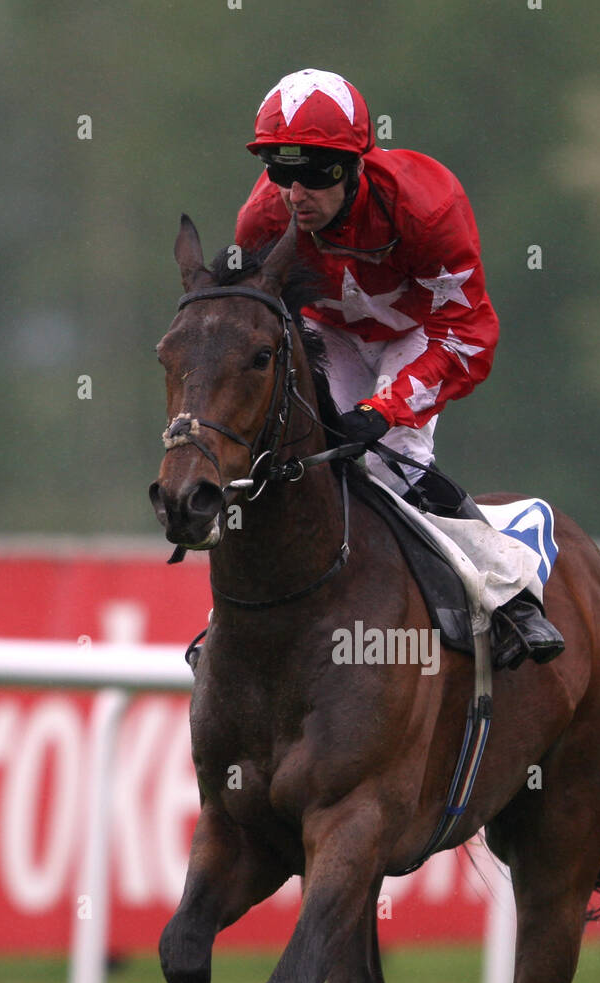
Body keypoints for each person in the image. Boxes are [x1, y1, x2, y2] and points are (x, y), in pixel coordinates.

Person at [234, 68, 564, 669]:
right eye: (281, 172)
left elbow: (468, 334)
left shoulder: (428, 206)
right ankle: (233, 622)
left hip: (421, 333)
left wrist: (384, 411)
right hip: (329, 333)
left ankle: (509, 584)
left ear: (357, 164)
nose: (295, 193)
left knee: (391, 467)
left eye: (316, 172)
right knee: (293, 463)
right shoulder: (260, 221)